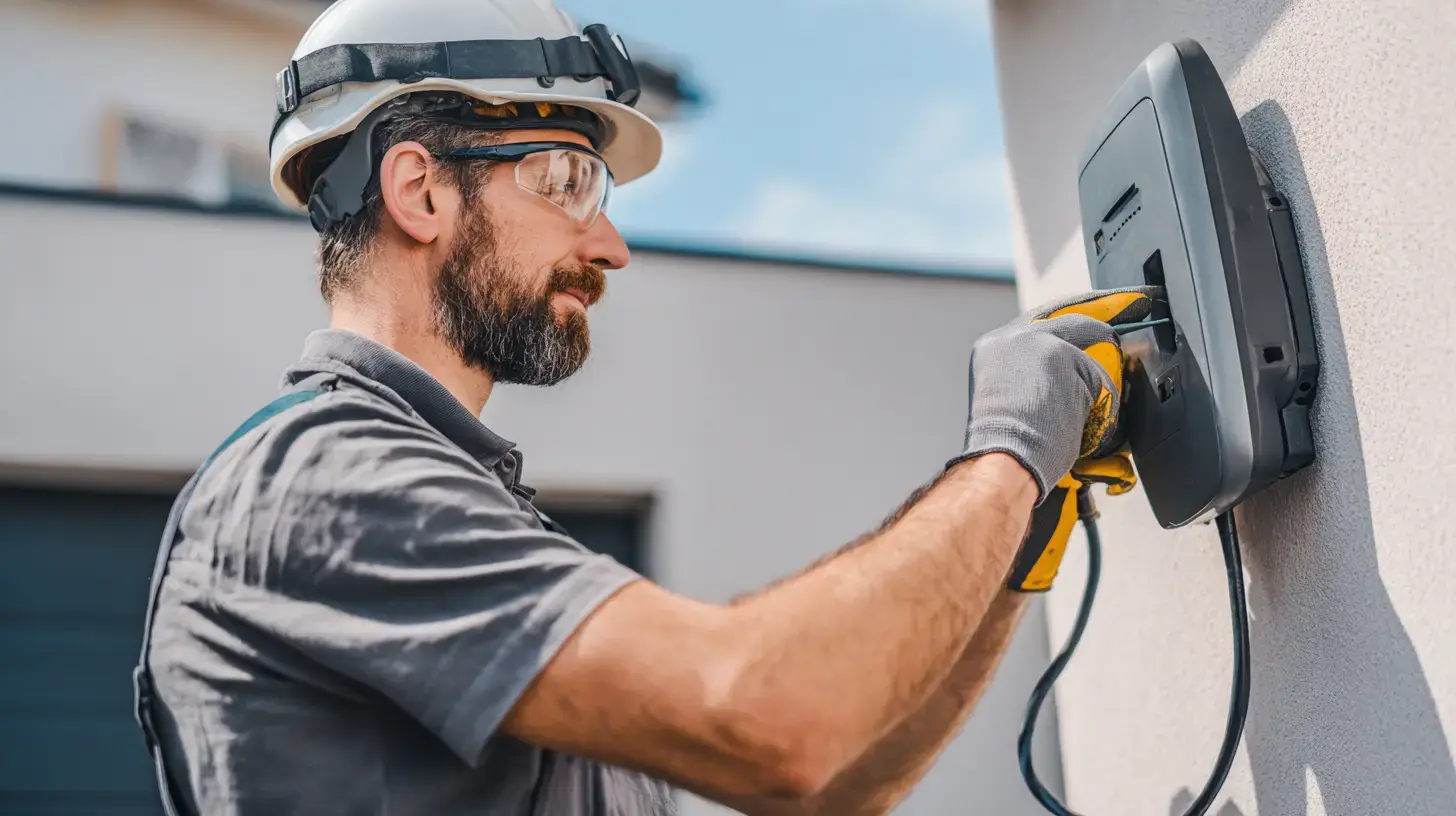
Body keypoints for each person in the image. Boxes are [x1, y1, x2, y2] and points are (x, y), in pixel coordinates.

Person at [134, 0, 1154, 813]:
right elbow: (774, 724)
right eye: (568, 179)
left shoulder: (453, 504)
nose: (610, 245)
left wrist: (1021, 522)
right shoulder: (330, 485)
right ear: (422, 192)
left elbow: (825, 786)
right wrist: (1010, 448)